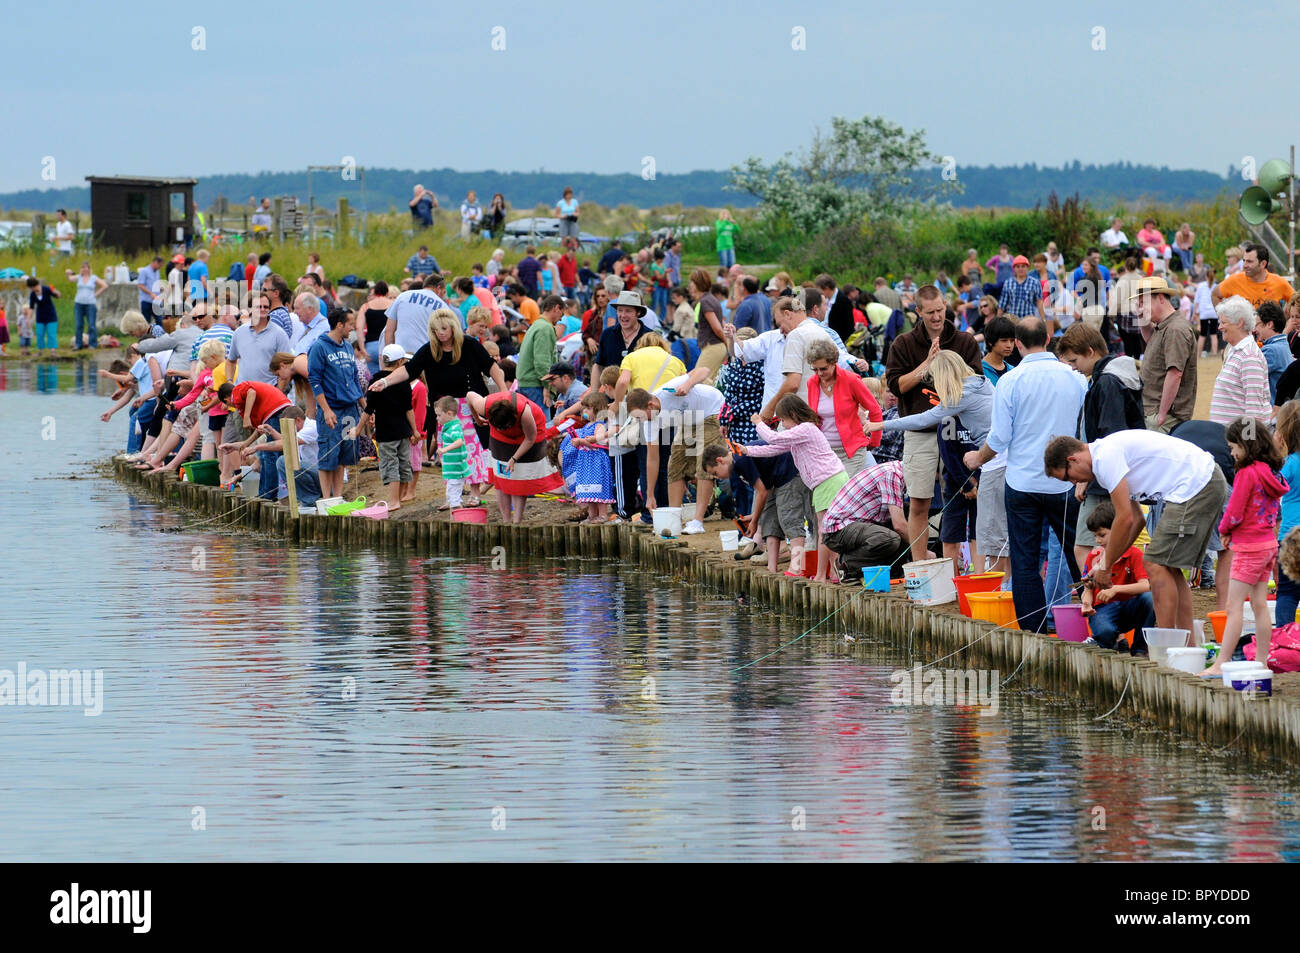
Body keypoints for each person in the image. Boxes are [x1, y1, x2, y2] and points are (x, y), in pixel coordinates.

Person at [965, 317, 1087, 634]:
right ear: (1048, 339)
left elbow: (999, 437)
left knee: (1025, 560)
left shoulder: (1010, 380)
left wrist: (977, 458)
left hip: (1022, 482)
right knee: (1077, 552)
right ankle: (1093, 616)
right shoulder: (1074, 377)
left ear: (1017, 344)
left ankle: (1032, 630)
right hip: (1065, 479)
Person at [1044, 430, 1228, 634]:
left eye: (1068, 477)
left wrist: (1105, 566)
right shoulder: (1104, 458)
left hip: (1196, 484)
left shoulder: (1105, 458)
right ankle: (1185, 646)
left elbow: (1125, 519)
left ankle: (1167, 645)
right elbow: (1137, 519)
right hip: (1201, 480)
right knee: (1169, 568)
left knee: (1155, 563)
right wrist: (1106, 561)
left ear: (1073, 459)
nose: (1073, 483)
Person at [873, 350, 1005, 577]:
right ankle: (995, 581)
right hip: (998, 460)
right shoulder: (982, 384)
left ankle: (996, 585)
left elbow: (924, 419)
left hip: (994, 463)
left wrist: (881, 425)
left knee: (991, 531)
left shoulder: (962, 395)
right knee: (993, 529)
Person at [885, 284, 982, 563]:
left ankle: (965, 565)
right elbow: (897, 386)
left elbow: (976, 383)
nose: (937, 317)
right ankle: (920, 566)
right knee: (919, 502)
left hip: (958, 431)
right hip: (921, 431)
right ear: (918, 312)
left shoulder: (965, 341)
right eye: (930, 312)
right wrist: (926, 365)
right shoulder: (903, 344)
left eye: (940, 310)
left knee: (965, 495)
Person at [369, 309, 504, 506]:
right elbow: (408, 370)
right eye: (436, 330)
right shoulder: (430, 349)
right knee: (448, 452)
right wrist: (386, 382)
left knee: (470, 450)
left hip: (468, 406)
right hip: (443, 408)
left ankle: (475, 493)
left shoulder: (469, 345)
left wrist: (503, 393)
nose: (440, 333)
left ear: (452, 328)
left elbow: (493, 368)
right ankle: (453, 496)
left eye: (444, 329)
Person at [1054, 322, 1145, 571]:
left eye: (1074, 360)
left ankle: (1101, 599)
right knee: (1102, 541)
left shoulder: (1107, 382)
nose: (1073, 367)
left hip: (1104, 474)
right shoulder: (1110, 377)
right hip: (1107, 472)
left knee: (1085, 545)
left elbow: (1110, 436)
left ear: (1091, 352)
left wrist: (1086, 475)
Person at [1204, 418, 1288, 678]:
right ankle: (1262, 662)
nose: (1231, 453)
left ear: (1245, 444)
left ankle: (1221, 663)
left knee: (1234, 605)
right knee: (1260, 605)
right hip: (1268, 546)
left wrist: (1224, 530)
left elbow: (1235, 510)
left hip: (1249, 548)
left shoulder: (1246, 472)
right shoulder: (1272, 472)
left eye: (1233, 447)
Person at [739, 395, 849, 581]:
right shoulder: (801, 433)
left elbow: (773, 437)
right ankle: (832, 573)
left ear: (792, 414)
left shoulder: (806, 428)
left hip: (829, 481)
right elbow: (774, 448)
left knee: (825, 530)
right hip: (825, 482)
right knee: (828, 529)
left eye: (783, 420)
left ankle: (823, 574)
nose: (782, 424)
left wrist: (758, 422)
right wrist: (748, 450)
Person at [627, 373, 726, 536]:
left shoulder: (668, 390)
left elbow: (704, 370)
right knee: (674, 465)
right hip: (688, 421)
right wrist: (649, 495)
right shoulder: (649, 421)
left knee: (705, 463)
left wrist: (688, 384)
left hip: (712, 410)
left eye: (640, 416)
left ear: (650, 405)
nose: (641, 421)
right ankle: (673, 520)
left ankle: (698, 521)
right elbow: (652, 458)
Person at [703, 441, 814, 573]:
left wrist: (754, 521)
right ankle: (772, 567)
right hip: (773, 482)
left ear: (720, 460)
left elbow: (762, 492)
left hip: (789, 474)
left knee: (790, 521)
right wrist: (755, 515)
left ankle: (797, 567)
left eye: (715, 473)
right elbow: (763, 490)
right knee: (769, 521)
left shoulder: (740, 460)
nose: (717, 477)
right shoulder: (735, 461)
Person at [466, 389, 563, 524]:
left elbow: (530, 439)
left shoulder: (524, 413)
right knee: (501, 478)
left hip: (528, 435)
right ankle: (506, 520)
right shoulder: (484, 405)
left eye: (505, 427)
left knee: (519, 477)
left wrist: (513, 459)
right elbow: (469, 395)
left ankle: (517, 521)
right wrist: (476, 418)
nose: (503, 430)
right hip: (499, 438)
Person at [1079, 502, 1157, 655]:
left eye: (1101, 535)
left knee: (1150, 599)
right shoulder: (1094, 556)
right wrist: (1087, 603)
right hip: (1103, 609)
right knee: (1104, 633)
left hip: (1129, 607)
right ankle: (1112, 642)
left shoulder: (1133, 554)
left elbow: (1146, 586)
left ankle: (1140, 649)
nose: (1097, 541)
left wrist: (1116, 590)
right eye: (1095, 536)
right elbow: (1088, 588)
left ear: (1118, 530)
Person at [818, 460, 912, 581]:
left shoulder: (897, 471)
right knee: (890, 539)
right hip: (837, 530)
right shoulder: (892, 474)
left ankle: (894, 571)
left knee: (908, 510)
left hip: (856, 525)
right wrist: (922, 552)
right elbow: (899, 525)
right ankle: (845, 564)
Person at [307, 308, 365, 499]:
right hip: (331, 409)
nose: (352, 328)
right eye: (350, 324)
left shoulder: (348, 347)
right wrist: (326, 410)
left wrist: (366, 408)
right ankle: (326, 498)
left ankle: (338, 496)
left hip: (350, 409)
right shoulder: (319, 347)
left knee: (345, 454)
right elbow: (314, 380)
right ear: (339, 325)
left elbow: (355, 378)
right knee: (328, 455)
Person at [806, 338, 880, 477]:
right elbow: (813, 418)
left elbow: (875, 410)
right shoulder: (812, 383)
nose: (819, 373)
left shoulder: (851, 380)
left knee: (844, 494)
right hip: (825, 452)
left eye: (823, 368)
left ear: (834, 363)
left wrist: (874, 442)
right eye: (815, 369)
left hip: (852, 452)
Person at [359, 344, 418, 512]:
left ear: (382, 360)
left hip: (386, 432)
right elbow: (409, 409)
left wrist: (357, 428)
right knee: (403, 463)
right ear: (400, 362)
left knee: (390, 464)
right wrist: (414, 430)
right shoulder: (404, 381)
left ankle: (393, 501)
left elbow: (368, 409)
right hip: (403, 431)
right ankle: (399, 497)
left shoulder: (376, 380)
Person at [1135, 276, 1197, 433]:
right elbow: (1152, 342)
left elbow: (1175, 374)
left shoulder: (1175, 329)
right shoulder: (1164, 325)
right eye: (1139, 303)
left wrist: (1161, 415)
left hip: (1165, 416)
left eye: (1145, 302)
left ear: (1161, 298)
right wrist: (1142, 318)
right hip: (1157, 411)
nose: (1141, 307)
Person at [1207, 295, 1271, 427]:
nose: (1219, 327)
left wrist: (1248, 444)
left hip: (1241, 443)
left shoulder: (1249, 356)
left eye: (1223, 322)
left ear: (1240, 323)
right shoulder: (1235, 350)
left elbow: (1254, 409)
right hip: (1230, 440)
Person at [563, 391, 616, 523]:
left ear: (597, 409)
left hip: (596, 461)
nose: (584, 411)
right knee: (588, 487)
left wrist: (581, 442)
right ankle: (592, 515)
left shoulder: (599, 426)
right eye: (584, 408)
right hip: (585, 462)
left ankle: (603, 514)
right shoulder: (587, 425)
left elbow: (600, 444)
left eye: (588, 408)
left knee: (598, 486)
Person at [516, 294, 563, 416]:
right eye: (561, 315)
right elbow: (542, 363)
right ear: (556, 308)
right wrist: (548, 388)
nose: (560, 320)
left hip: (527, 383)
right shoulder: (545, 328)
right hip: (536, 386)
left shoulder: (536, 325)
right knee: (542, 429)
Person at [384, 274, 453, 356]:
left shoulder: (403, 296)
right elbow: (446, 337)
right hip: (426, 357)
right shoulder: (443, 306)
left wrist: (390, 355)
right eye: (444, 292)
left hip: (401, 355)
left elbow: (389, 330)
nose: (443, 296)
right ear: (439, 289)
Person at [1275, 402, 1300, 625]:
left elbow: (1271, 487)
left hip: (1290, 537)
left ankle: (1284, 638)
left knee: (1287, 594)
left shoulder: (1289, 464)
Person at [1213, 243, 1295, 308]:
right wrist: (1225, 320)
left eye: (1249, 261)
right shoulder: (1234, 280)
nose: (1244, 265)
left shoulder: (1279, 282)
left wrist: (1284, 320)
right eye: (1244, 261)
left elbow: (1296, 301)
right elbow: (1215, 295)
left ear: (1263, 264)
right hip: (1243, 329)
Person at [1254, 300, 1292, 404]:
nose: (1255, 330)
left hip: (1272, 410)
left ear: (1269, 324)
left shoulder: (1270, 350)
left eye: (1257, 324)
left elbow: (1250, 376)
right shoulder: (1283, 344)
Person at [64, 260, 106, 349]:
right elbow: (69, 279)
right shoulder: (79, 277)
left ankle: (92, 344)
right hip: (79, 303)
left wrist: (96, 294)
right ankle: (78, 344)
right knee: (79, 324)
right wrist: (67, 273)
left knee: (91, 324)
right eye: (82, 267)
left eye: (86, 267)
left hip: (90, 303)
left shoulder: (93, 278)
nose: (84, 269)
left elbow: (104, 285)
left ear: (89, 269)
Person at [997, 255, 1045, 324]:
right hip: (1012, 320)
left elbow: (1039, 303)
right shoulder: (1008, 283)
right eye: (1018, 266)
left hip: (1029, 319)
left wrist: (1043, 319)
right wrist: (998, 321)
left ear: (1027, 267)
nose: (1020, 269)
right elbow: (1002, 304)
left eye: (1023, 266)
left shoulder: (1035, 282)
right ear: (1014, 268)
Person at [24, 277, 60, 350]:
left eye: (31, 288)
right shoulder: (33, 294)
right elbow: (31, 307)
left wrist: (56, 292)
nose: (31, 289)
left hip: (51, 315)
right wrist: (28, 318)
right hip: (40, 316)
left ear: (33, 286)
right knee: (40, 334)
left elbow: (58, 296)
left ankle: (52, 350)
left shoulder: (46, 289)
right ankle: (40, 350)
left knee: (51, 334)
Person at [981, 316, 1017, 385]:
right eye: (1004, 341)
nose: (1009, 345)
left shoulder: (1012, 370)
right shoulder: (979, 371)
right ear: (990, 342)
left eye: (1012, 341)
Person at [1193, 267, 1219, 358]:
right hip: (1213, 312)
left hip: (1203, 313)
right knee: (1213, 334)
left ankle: (1198, 354)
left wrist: (1194, 313)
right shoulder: (1216, 286)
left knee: (1202, 334)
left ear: (1206, 276)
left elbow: (1196, 301)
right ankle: (1215, 353)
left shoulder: (1200, 286)